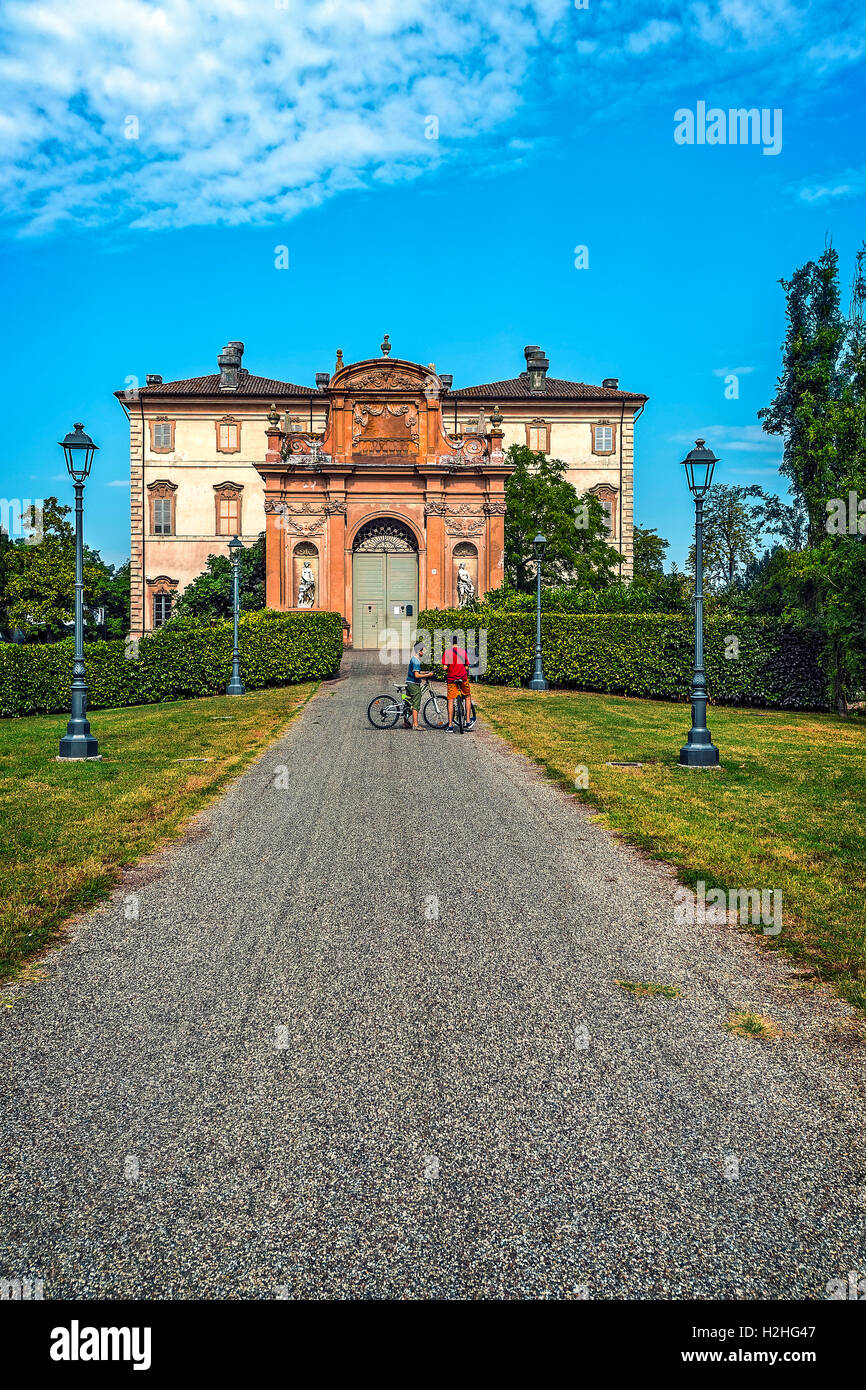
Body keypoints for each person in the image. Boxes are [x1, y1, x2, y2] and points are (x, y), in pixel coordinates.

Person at [443, 639, 475, 730]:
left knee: (450, 700)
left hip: (452, 679)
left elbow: (445, 668)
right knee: (468, 696)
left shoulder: (447, 652)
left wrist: (448, 666)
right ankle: (468, 721)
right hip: (463, 677)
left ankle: (450, 725)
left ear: (450, 643)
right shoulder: (462, 652)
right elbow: (466, 666)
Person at [405, 639, 432, 730]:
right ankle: (415, 724)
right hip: (414, 685)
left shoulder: (413, 659)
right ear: (419, 651)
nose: (424, 652)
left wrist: (425, 672)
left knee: (408, 703)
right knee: (416, 703)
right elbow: (417, 675)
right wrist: (427, 675)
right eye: (423, 650)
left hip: (409, 683)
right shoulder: (416, 661)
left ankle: (405, 722)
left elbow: (416, 672)